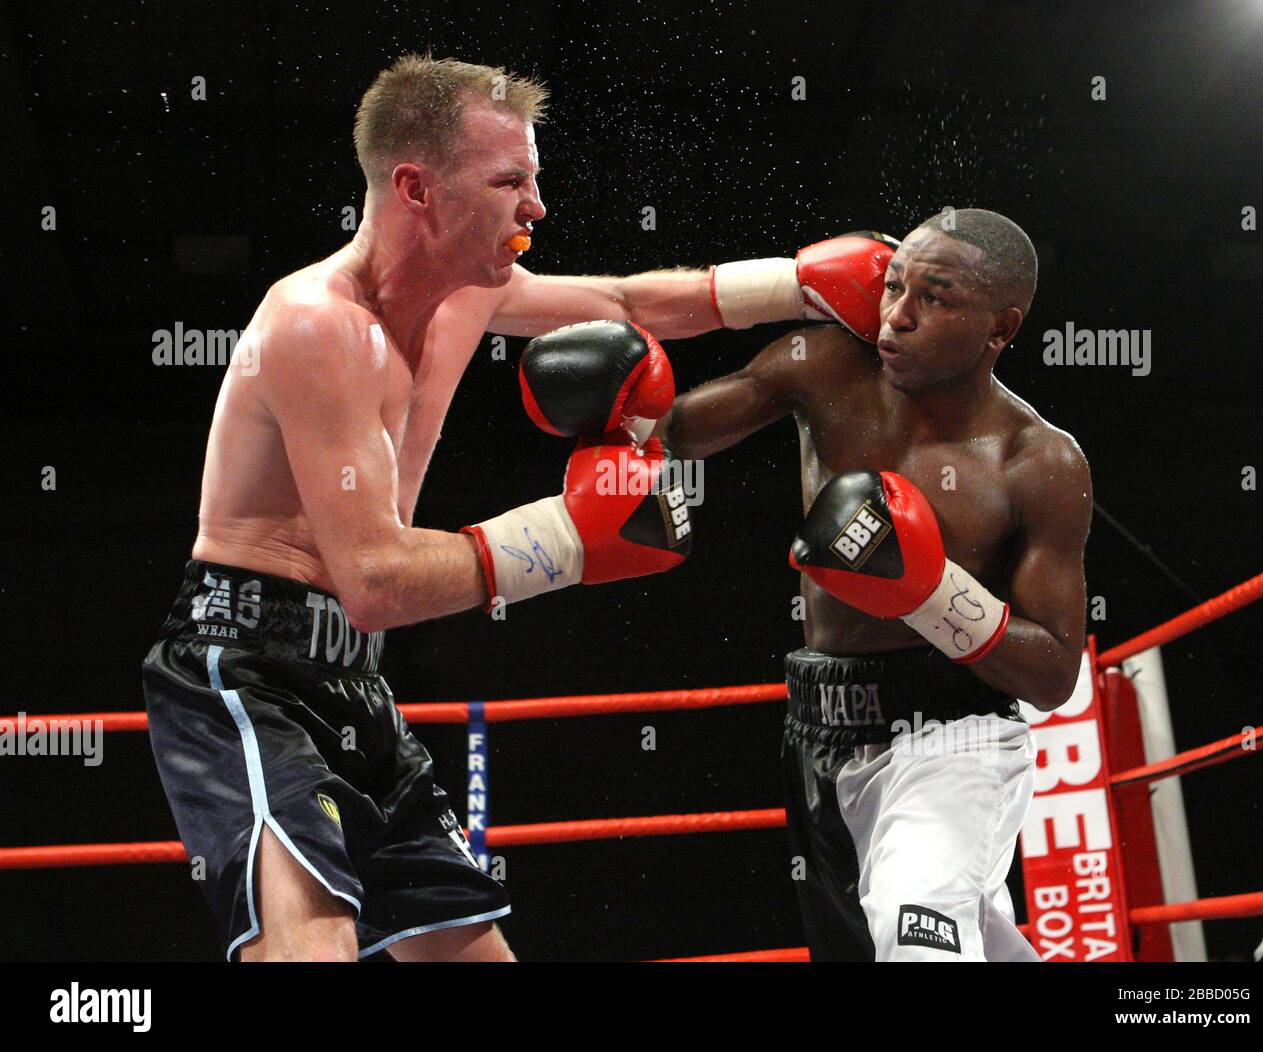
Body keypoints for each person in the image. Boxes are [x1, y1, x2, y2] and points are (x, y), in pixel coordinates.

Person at [140, 53, 888, 962]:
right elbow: (373, 579)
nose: (535, 207)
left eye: (533, 180)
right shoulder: (317, 325)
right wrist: (569, 538)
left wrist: (802, 283)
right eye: (509, 182)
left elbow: (629, 301)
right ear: (416, 187)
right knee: (312, 946)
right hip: (245, 666)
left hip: (354, 678)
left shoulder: (471, 296)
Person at [659, 209, 1093, 960]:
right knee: (912, 942)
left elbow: (1055, 673)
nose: (897, 316)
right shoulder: (823, 365)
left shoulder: (1037, 461)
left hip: (955, 737)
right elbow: (678, 431)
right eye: (893, 285)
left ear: (1001, 328)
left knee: (915, 930)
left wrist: (929, 591)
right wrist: (616, 402)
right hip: (817, 731)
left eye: (936, 297)